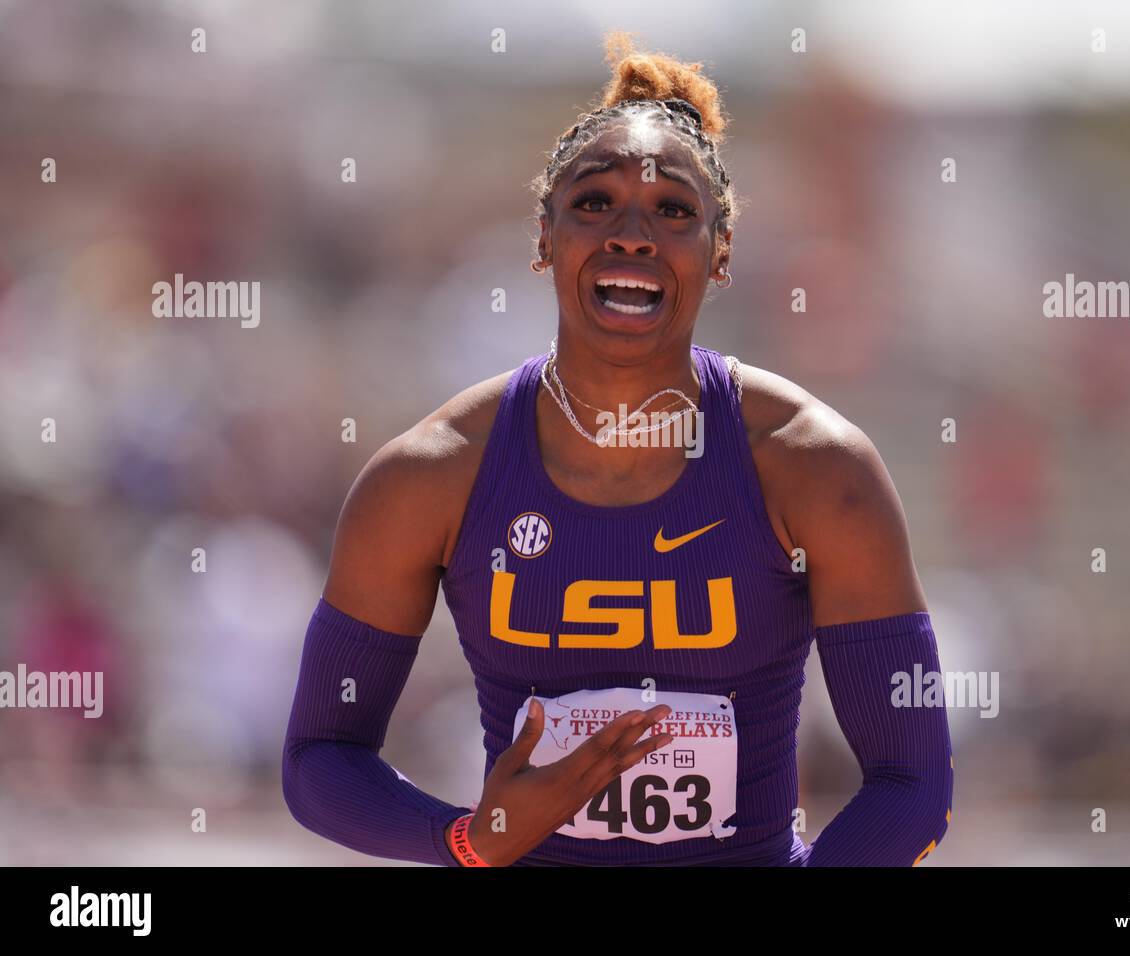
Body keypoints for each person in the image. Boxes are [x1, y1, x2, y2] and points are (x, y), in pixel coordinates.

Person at [282, 32, 953, 867]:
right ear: (544, 237)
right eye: (594, 203)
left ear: (722, 251)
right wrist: (469, 838)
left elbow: (912, 781)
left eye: (673, 210)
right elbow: (319, 759)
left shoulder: (815, 467)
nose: (632, 235)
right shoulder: (432, 475)